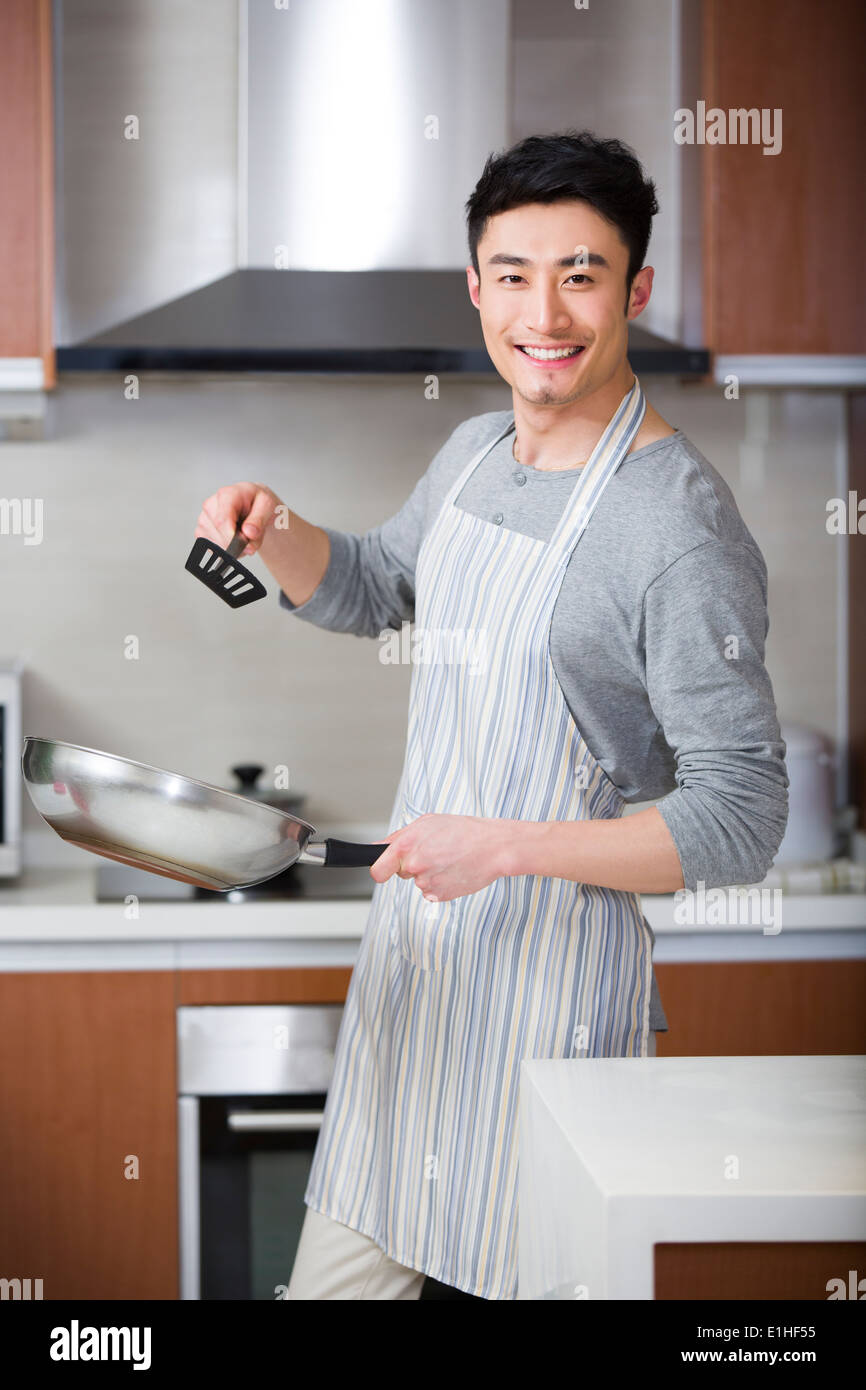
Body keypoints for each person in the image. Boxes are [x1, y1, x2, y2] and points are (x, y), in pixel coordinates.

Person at [194, 130, 788, 1300]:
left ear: (636, 290)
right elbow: (378, 588)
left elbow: (741, 815)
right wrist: (278, 531)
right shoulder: (473, 452)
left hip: (550, 1034)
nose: (544, 310)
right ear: (476, 288)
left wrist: (505, 846)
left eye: (580, 273)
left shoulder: (675, 527)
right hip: (412, 1015)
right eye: (513, 274)